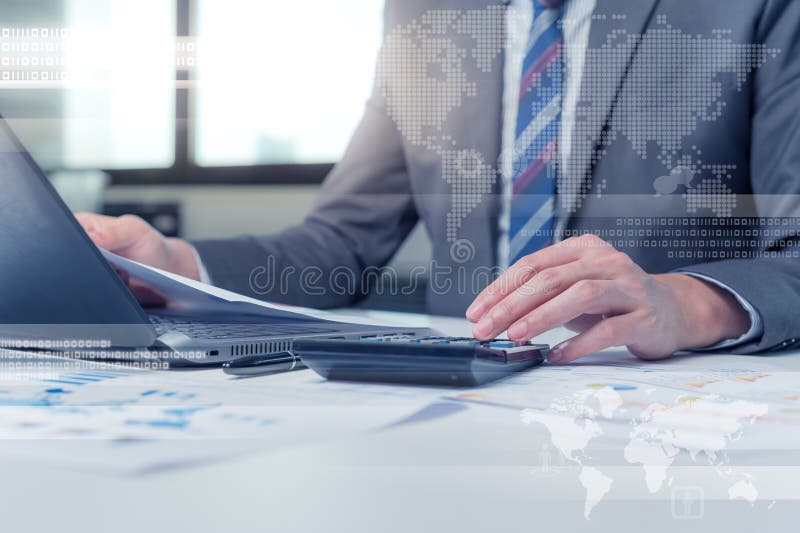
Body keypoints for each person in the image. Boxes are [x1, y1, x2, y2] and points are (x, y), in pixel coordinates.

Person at [77, 0, 800, 363]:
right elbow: (340, 244)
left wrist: (686, 303)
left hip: (667, 412)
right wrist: (179, 266)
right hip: (462, 406)